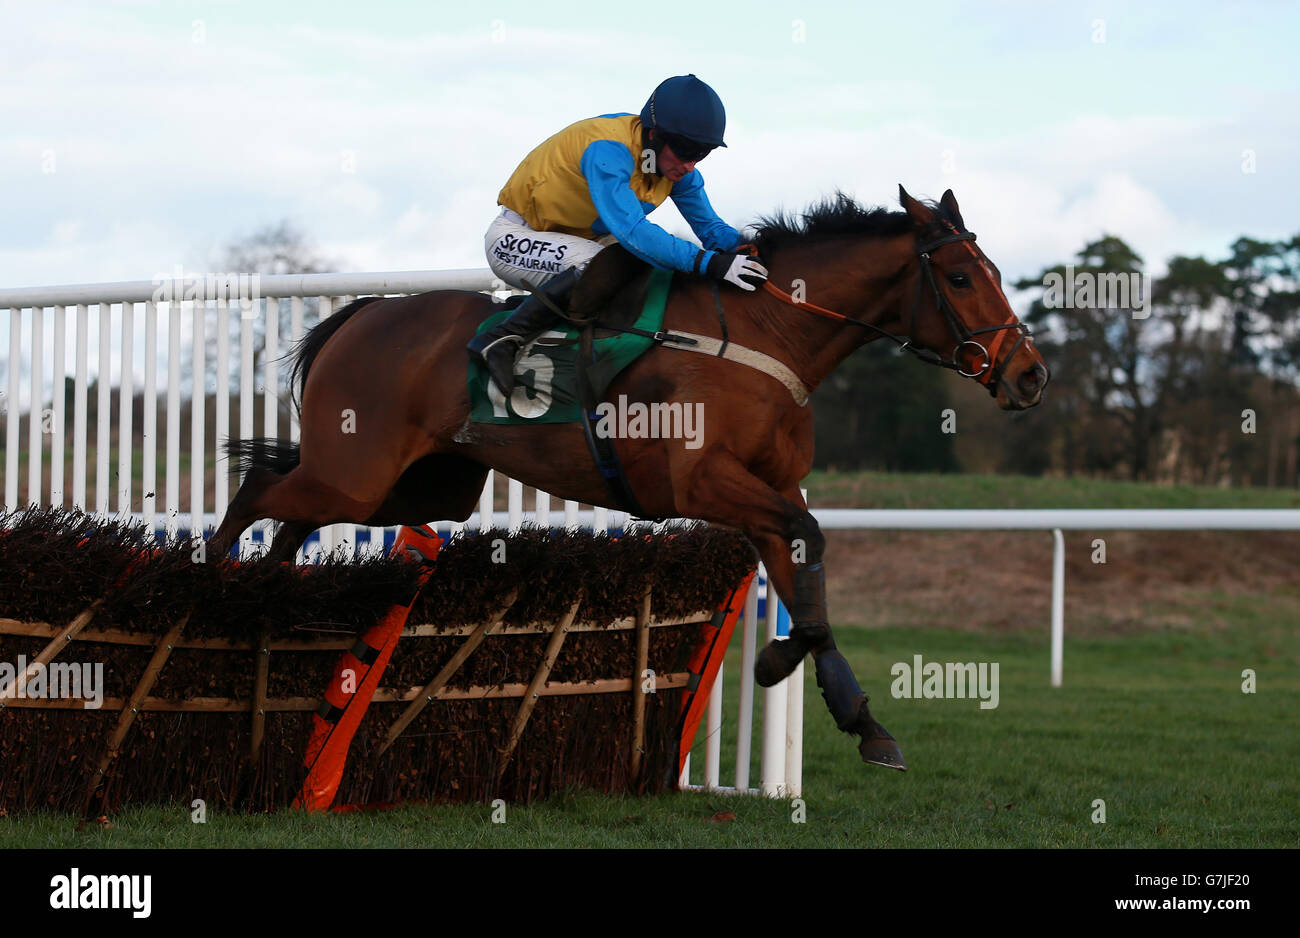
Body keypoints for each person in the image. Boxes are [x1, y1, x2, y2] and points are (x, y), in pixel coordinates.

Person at [468, 74, 769, 396]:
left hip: (581, 242)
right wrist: (709, 263)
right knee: (606, 264)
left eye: (702, 153)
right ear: (655, 136)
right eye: (684, 150)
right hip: (514, 237)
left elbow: (711, 228)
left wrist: (748, 249)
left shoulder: (674, 168)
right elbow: (633, 232)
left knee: (646, 271)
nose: (689, 164)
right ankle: (500, 338)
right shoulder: (608, 151)